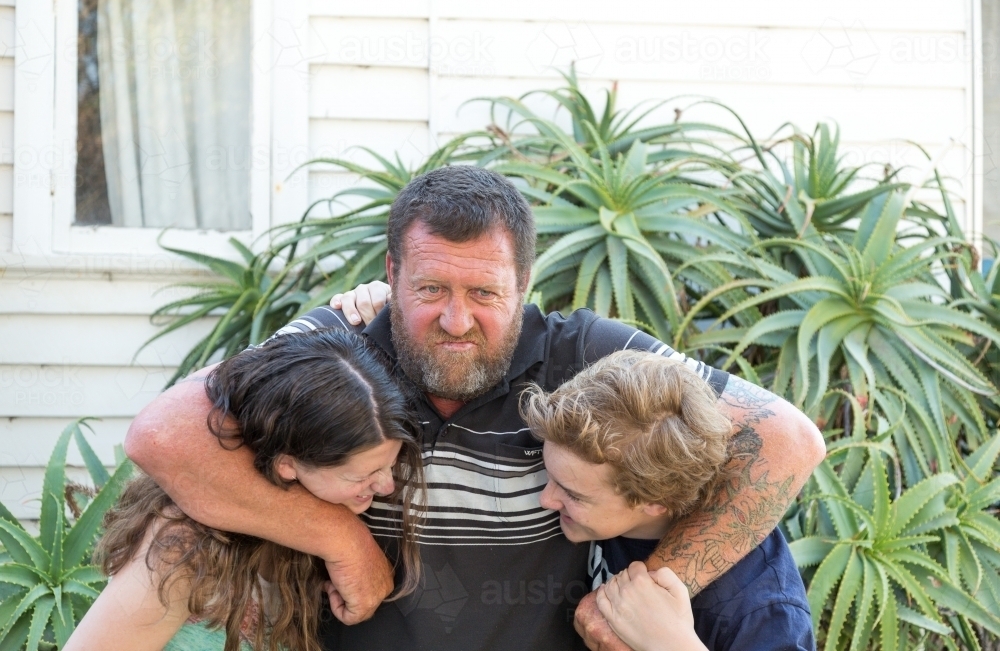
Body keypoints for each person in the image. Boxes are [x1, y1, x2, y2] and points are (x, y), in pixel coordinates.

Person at [125, 165, 826, 650]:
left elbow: (787, 439)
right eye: (431, 288)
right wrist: (343, 541)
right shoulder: (332, 349)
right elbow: (162, 434)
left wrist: (648, 596)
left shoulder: (591, 358)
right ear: (391, 273)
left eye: (485, 294)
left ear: (524, 282)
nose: (456, 321)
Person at [67, 329, 424, 651]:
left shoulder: (308, 545)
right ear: (288, 465)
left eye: (388, 466)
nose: (386, 485)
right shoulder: (183, 547)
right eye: (362, 475)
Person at [525, 349, 815, 651]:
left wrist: (672, 644)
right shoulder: (608, 512)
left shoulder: (761, 609)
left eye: (573, 495)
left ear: (656, 501)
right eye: (551, 477)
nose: (546, 499)